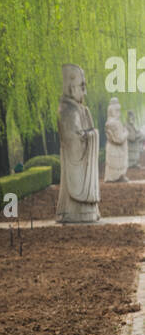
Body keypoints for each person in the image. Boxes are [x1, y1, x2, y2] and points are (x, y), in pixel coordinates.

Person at [56, 64, 100, 223]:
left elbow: (85, 132)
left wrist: (91, 134)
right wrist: (92, 135)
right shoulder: (67, 110)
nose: (85, 92)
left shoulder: (81, 109)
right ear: (71, 87)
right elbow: (74, 141)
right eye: (82, 86)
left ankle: (88, 211)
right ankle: (73, 212)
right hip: (73, 166)